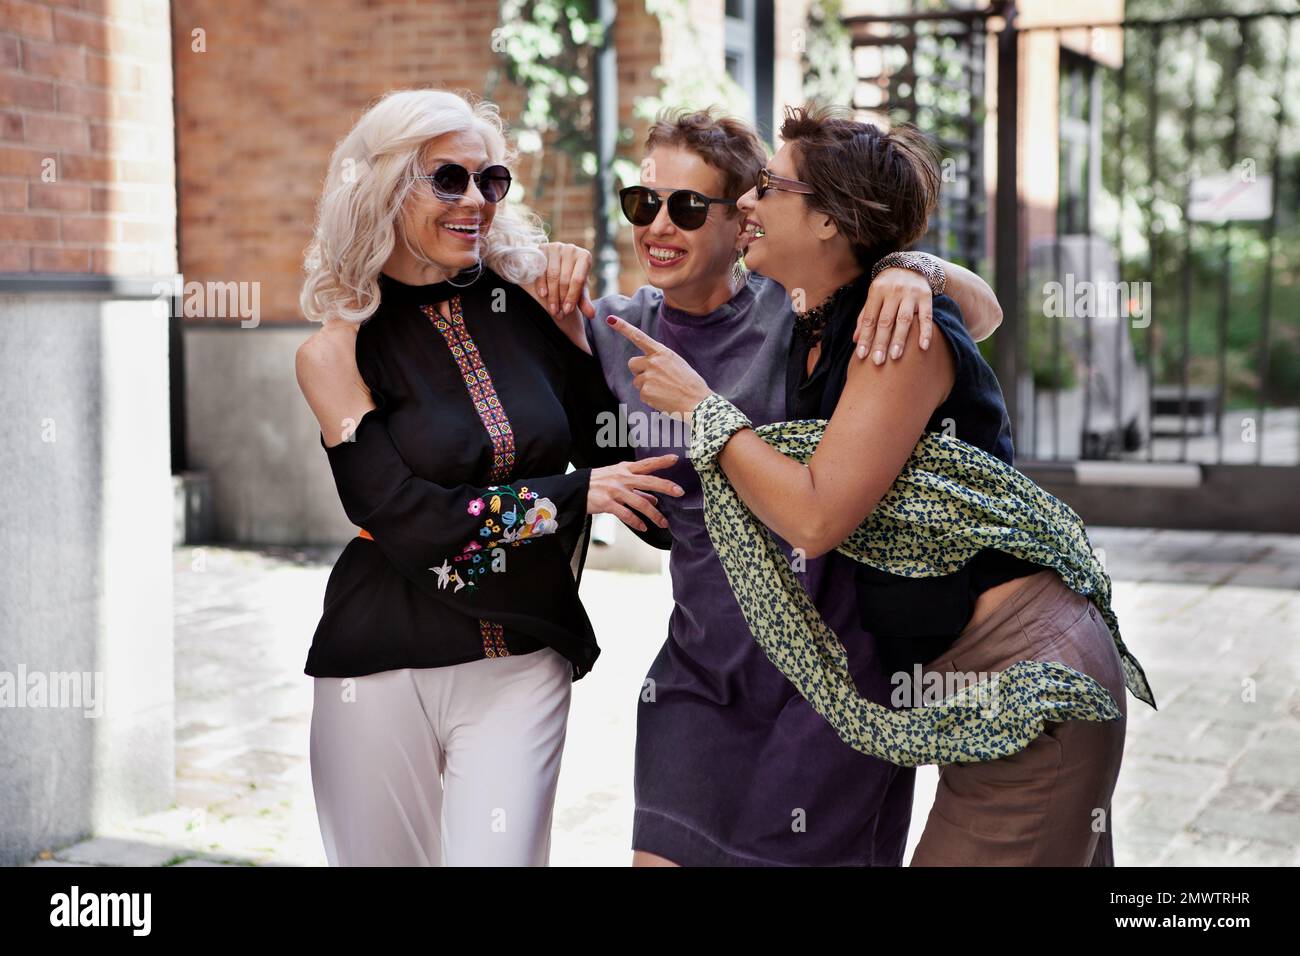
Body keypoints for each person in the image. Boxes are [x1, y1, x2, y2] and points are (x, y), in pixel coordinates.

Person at [613, 104, 1155, 866]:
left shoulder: (897, 334)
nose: (746, 203)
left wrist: (703, 408)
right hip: (971, 691)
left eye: (769, 186)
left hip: (1028, 685)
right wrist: (912, 263)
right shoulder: (821, 316)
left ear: (831, 220)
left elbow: (814, 513)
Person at [533, 107, 1004, 866]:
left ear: (737, 220)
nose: (658, 224)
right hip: (700, 666)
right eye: (641, 202)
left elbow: (979, 315)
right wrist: (542, 265)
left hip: (829, 668)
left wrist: (913, 267)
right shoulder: (611, 333)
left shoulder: (800, 310)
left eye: (688, 207)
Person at [293, 88, 682, 866]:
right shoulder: (335, 354)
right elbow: (411, 522)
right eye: (449, 179)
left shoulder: (528, 306)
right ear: (385, 186)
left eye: (491, 181)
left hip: (522, 658)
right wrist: (569, 498)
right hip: (378, 665)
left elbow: (630, 481)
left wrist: (574, 334)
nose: (476, 200)